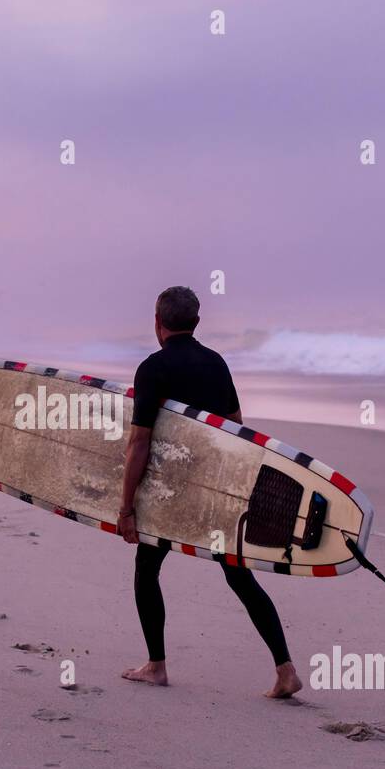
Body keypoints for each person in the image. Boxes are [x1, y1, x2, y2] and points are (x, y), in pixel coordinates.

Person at [117, 286, 303, 698]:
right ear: (196, 323)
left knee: (147, 568)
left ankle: (156, 665)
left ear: (157, 323)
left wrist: (126, 506)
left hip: (170, 493)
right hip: (216, 490)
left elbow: (140, 443)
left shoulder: (152, 369)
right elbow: (238, 428)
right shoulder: (217, 364)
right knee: (239, 577)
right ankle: (285, 668)